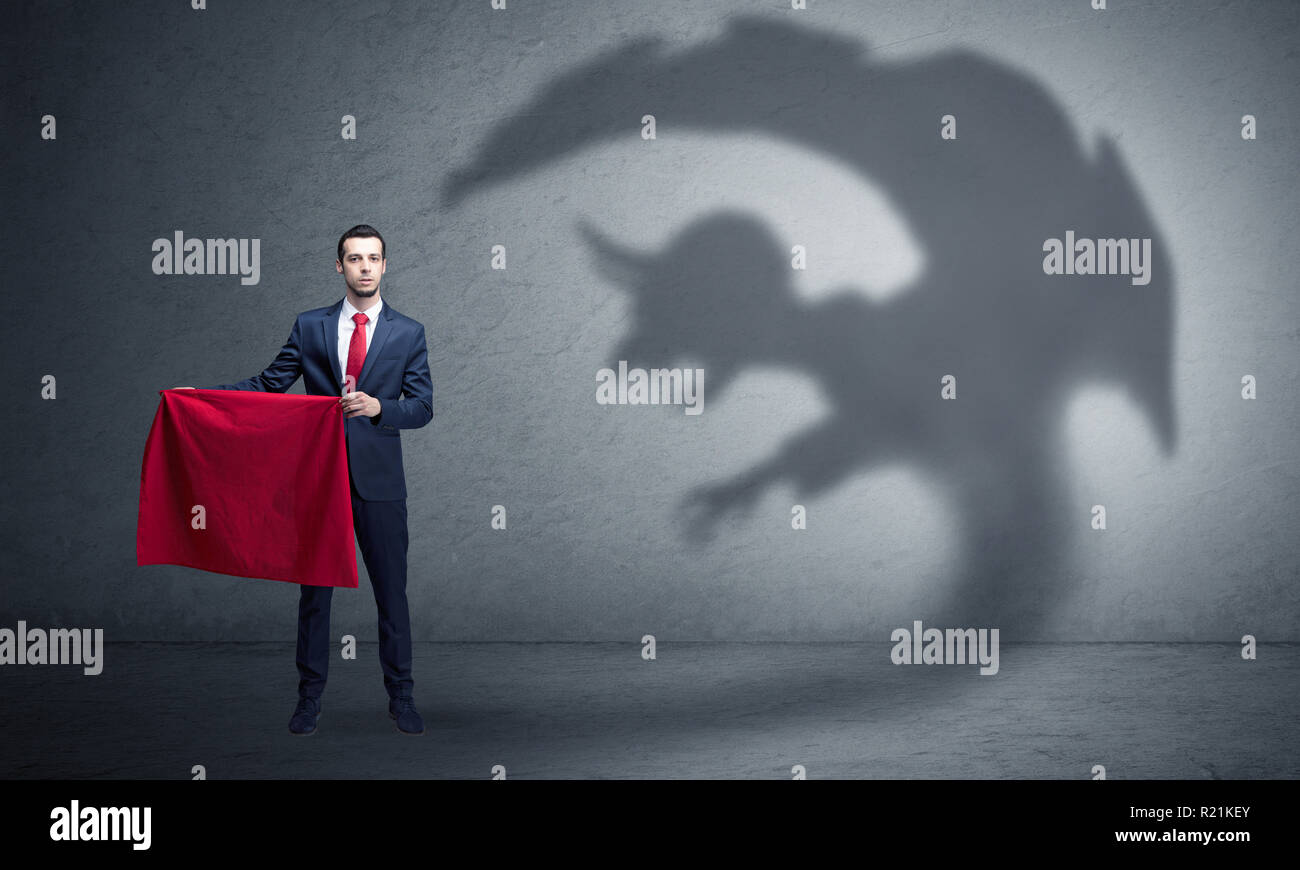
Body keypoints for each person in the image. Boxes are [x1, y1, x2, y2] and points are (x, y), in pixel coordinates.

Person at [178, 224, 433, 736]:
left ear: (386, 266)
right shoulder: (311, 325)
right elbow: (269, 384)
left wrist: (381, 407)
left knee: (392, 594)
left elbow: (423, 406)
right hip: (320, 480)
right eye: (354, 258)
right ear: (339, 266)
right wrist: (202, 396)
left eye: (373, 258)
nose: (364, 266)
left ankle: (401, 697)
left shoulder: (409, 332)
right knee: (314, 596)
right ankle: (308, 700)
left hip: (379, 484)